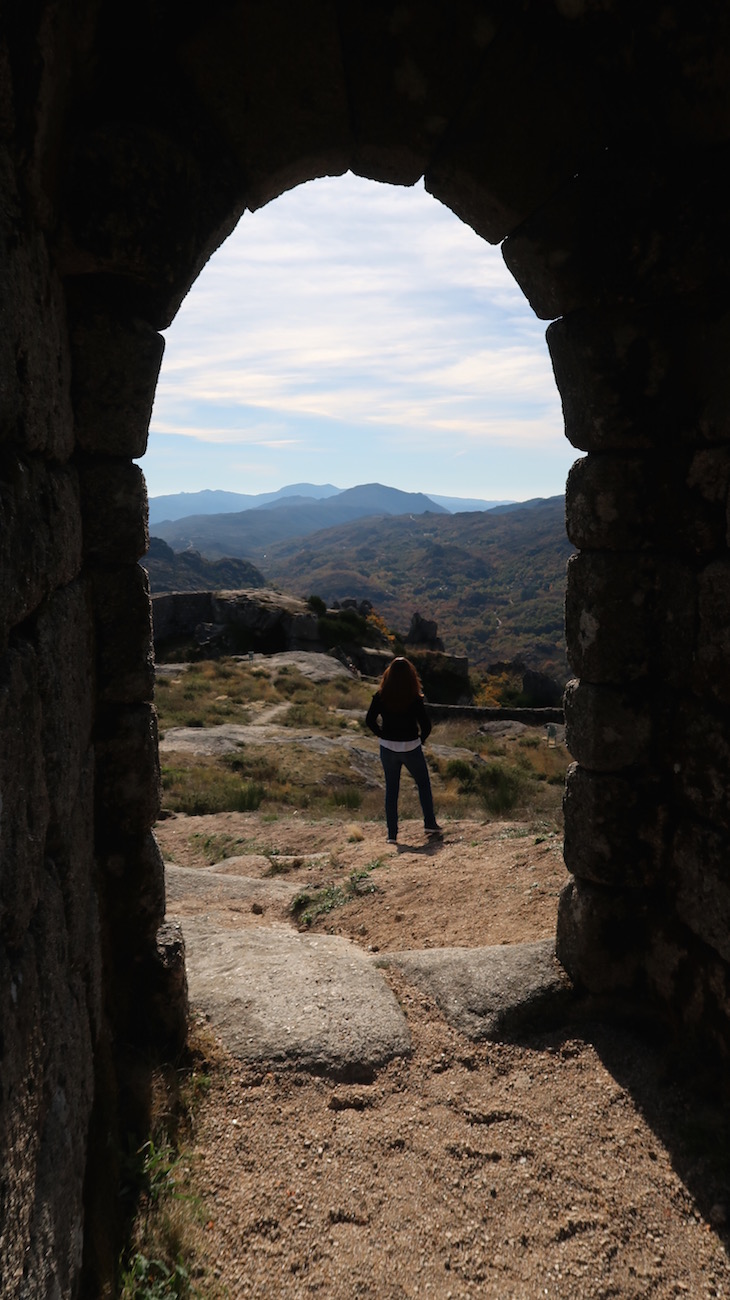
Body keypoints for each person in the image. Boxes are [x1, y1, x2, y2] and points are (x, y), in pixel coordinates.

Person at [365, 656, 442, 844]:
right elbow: (426, 726)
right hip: (410, 747)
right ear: (410, 675)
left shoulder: (380, 696)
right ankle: (429, 823)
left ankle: (392, 834)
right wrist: (420, 740)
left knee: (392, 790)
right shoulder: (414, 698)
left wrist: (382, 734)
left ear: (388, 674)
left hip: (387, 747)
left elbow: (369, 720)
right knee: (423, 784)